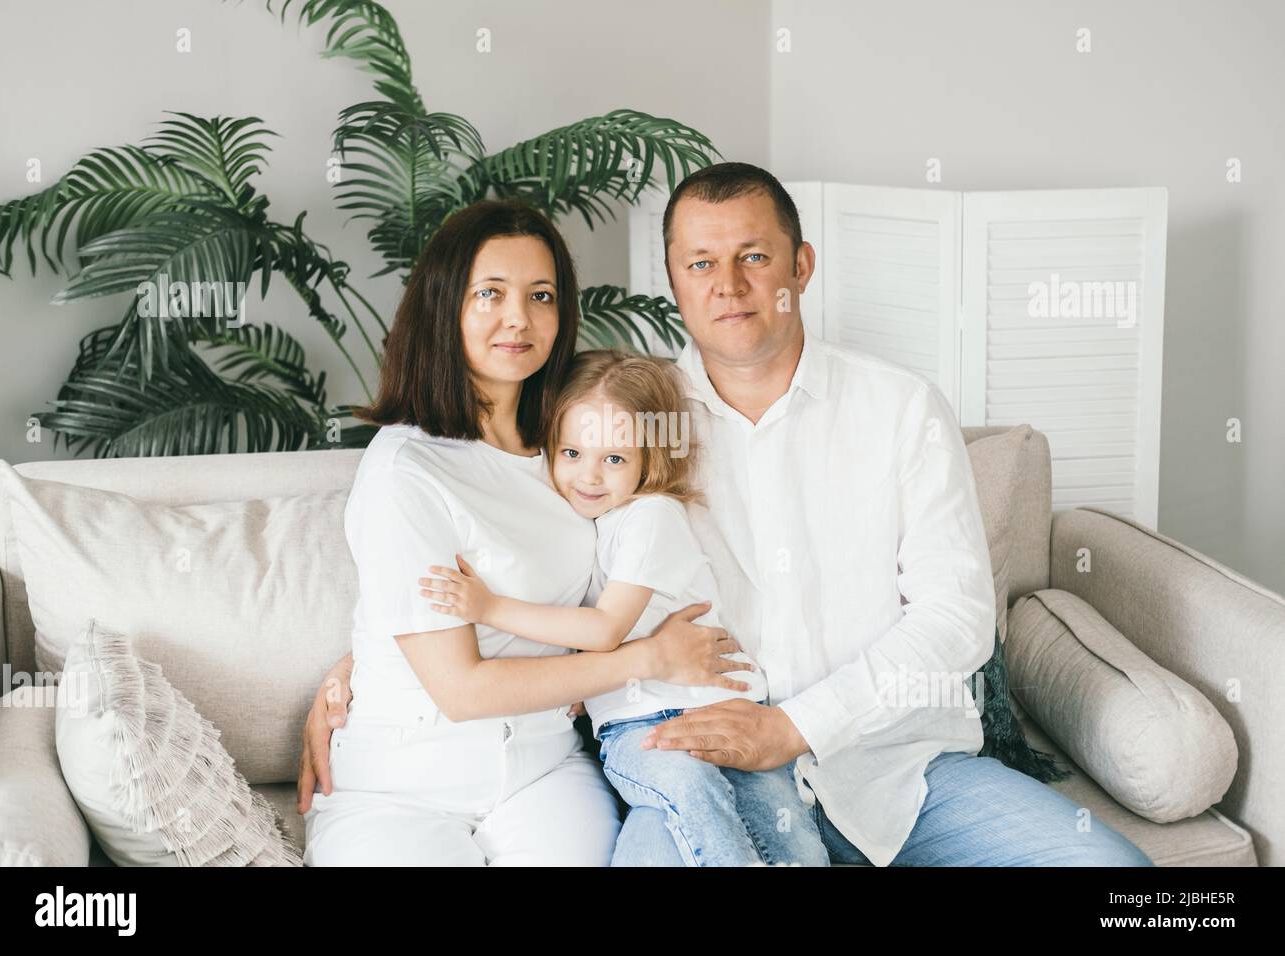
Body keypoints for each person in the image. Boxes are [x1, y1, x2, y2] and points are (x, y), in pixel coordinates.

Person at [302, 162, 1154, 867]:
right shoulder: (626, 422)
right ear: (672, 280)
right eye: (700, 263)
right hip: (704, 766)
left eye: (754, 256)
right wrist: (360, 665)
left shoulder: (900, 409)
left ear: (801, 267)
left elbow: (958, 620)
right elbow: (516, 546)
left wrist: (793, 727)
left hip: (896, 769)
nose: (730, 286)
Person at [300, 199, 749, 866]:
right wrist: (649, 659)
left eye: (541, 295)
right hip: (404, 782)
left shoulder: (574, 446)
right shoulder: (407, 468)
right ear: (445, 307)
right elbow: (461, 688)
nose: (519, 318)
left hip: (542, 769)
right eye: (490, 294)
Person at [420, 348, 829, 866]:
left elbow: (605, 630)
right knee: (692, 792)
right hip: (646, 723)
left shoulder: (650, 517)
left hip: (714, 711)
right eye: (571, 453)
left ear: (649, 460)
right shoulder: (586, 522)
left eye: (614, 459)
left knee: (785, 832)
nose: (589, 476)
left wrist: (488, 607)